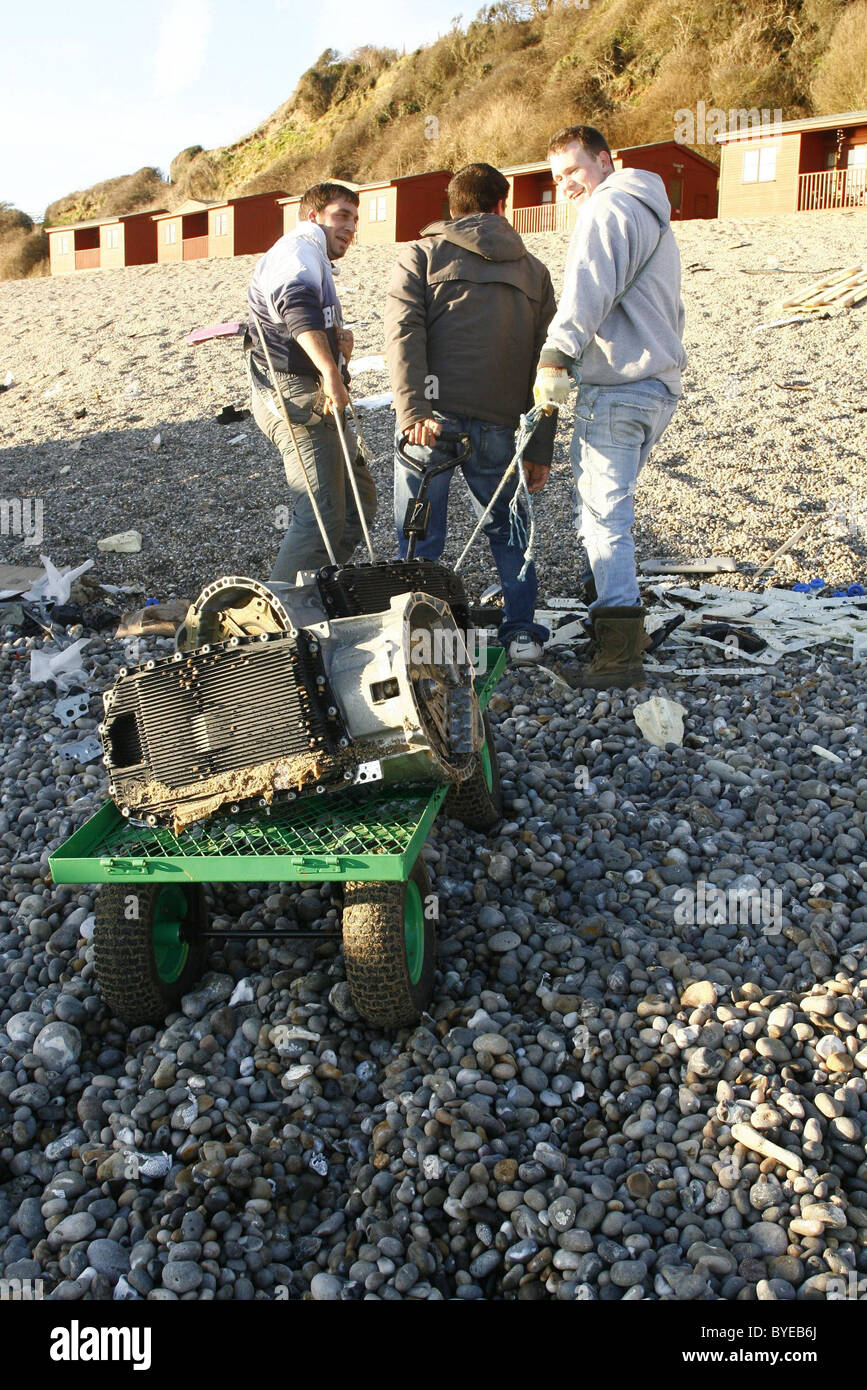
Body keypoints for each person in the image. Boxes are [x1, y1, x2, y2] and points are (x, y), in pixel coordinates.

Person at [384, 162, 558, 664]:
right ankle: (521, 632)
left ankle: (421, 641)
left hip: (429, 420)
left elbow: (403, 335)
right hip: (503, 424)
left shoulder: (421, 254)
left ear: (452, 207)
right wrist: (540, 443)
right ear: (502, 205)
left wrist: (413, 406)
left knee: (420, 532)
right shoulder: (534, 271)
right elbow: (549, 362)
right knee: (510, 530)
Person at [533, 125, 687, 689]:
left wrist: (556, 355)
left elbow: (586, 290)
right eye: (556, 177)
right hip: (657, 387)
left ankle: (620, 656)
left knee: (604, 519)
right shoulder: (653, 213)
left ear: (604, 160)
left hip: (619, 388)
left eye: (573, 169)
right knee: (605, 508)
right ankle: (611, 606)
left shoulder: (604, 209)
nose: (566, 183)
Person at [246, 182, 376, 581]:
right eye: (341, 216)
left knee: (358, 507)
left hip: (315, 388)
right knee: (321, 512)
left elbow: (305, 320)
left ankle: (318, 593)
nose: (350, 227)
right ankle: (279, 615)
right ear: (312, 217)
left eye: (354, 218)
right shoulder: (298, 250)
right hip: (294, 394)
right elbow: (295, 304)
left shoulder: (312, 255)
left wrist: (340, 354)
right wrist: (331, 372)